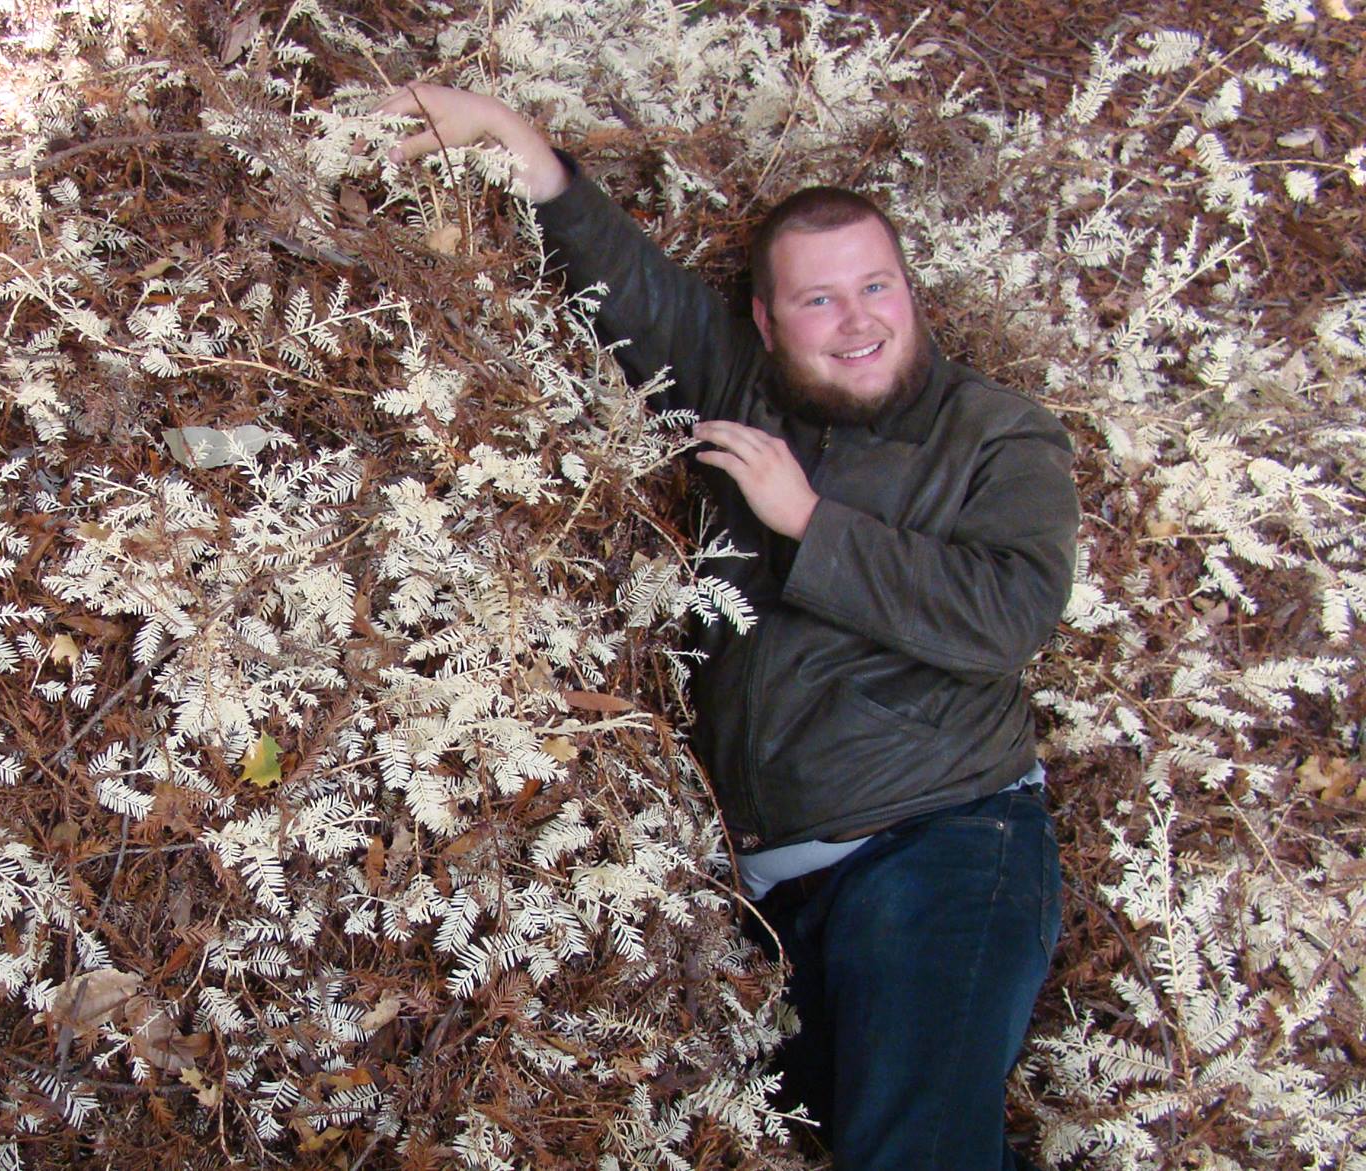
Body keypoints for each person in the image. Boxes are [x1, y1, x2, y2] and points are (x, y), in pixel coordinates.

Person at [375, 85, 1079, 1171]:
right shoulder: (741, 391)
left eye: (875, 286)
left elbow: (1008, 614)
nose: (855, 321)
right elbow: (631, 289)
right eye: (816, 301)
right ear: (763, 320)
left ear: (910, 292)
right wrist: (522, 150)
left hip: (943, 846)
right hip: (780, 893)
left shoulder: (997, 437)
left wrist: (805, 520)